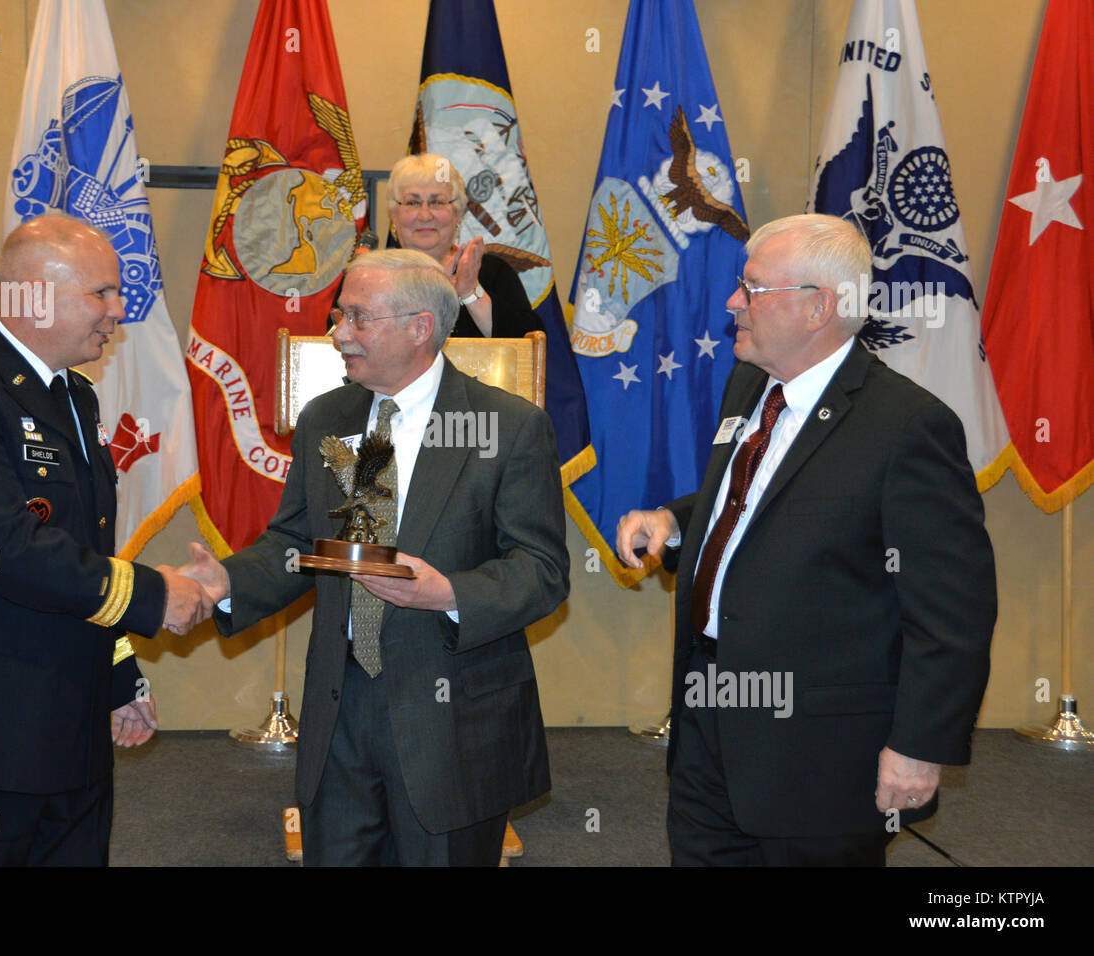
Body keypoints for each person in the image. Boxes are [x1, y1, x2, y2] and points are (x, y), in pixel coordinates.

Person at [615, 214, 995, 866]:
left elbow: (952, 612)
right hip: (710, 717)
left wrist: (920, 746)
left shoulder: (906, 428)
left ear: (820, 306)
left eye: (752, 289)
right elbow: (755, 502)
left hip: (819, 752)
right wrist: (677, 524)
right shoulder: (750, 384)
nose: (733, 303)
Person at [181, 248, 568, 865]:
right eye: (339, 316)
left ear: (421, 328)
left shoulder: (507, 426)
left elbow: (542, 572)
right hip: (340, 712)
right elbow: (297, 544)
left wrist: (447, 594)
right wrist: (223, 582)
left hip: (452, 718)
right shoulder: (324, 419)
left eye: (359, 318)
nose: (339, 333)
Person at [0, 215, 213, 866]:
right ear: (34, 294)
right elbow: (9, 546)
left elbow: (86, 550)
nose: (120, 309)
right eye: (103, 293)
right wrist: (156, 595)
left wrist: (119, 673)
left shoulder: (77, 400)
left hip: (72, 729)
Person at [333, 153, 542, 339]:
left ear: (458, 213)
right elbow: (337, 343)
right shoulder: (365, 276)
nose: (425, 215)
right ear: (394, 215)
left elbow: (526, 346)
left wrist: (469, 292)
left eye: (437, 202)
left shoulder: (490, 272)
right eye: (413, 203)